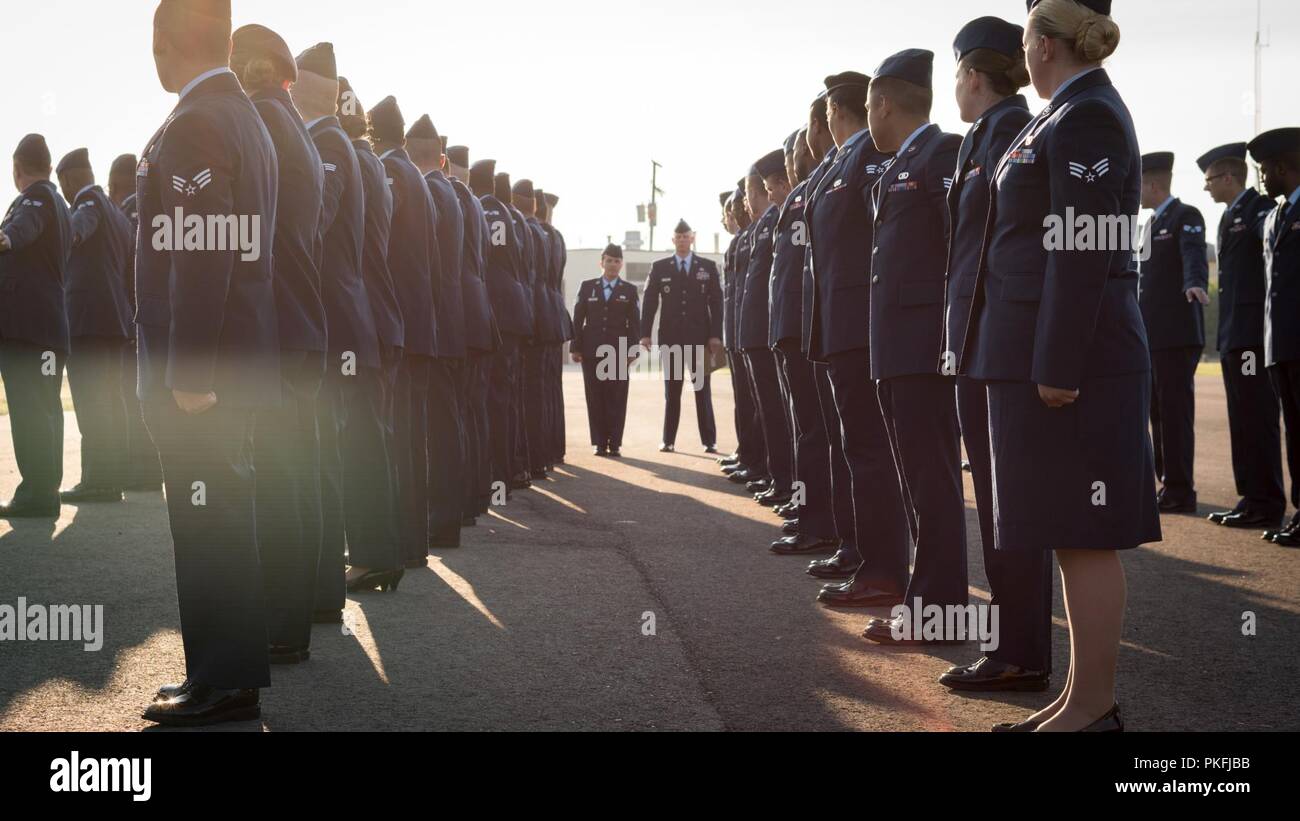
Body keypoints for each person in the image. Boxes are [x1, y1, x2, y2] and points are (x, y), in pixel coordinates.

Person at [962, 0, 1160, 732]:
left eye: (1024, 39)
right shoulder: (1062, 115)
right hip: (1044, 356)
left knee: (1085, 534)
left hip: (1080, 363)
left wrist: (1058, 365)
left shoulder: (1089, 117)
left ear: (1044, 45)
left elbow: (1084, 249)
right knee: (1070, 531)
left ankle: (1092, 706)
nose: (1022, 53)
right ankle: (1078, 701)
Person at [138, 0, 280, 726]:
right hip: (238, 362)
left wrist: (191, 370)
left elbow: (203, 248)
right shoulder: (245, 117)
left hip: (207, 373)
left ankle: (222, 678)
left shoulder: (197, 121)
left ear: (168, 44)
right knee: (220, 513)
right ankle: (223, 672)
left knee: (209, 518)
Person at [937, 17, 1052, 690]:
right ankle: (1017, 647)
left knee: (1013, 503)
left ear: (973, 77)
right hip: (977, 344)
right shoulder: (984, 136)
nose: (955, 85)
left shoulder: (1012, 132)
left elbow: (1017, 250)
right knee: (1000, 498)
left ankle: (1021, 653)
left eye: (957, 74)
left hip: (1001, 346)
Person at [856, 48, 969, 645]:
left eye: (870, 105)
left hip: (924, 348)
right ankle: (929, 603)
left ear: (883, 104)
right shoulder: (901, 162)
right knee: (917, 480)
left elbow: (958, 247)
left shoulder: (941, 153)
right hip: (896, 347)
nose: (868, 116)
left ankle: (937, 610)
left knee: (932, 480)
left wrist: (946, 339)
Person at [231, 24, 328, 666]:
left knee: (278, 479)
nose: (233, 72)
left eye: (239, 62)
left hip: (280, 322)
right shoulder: (291, 123)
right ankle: (302, 611)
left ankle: (283, 624)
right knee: (298, 473)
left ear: (260, 68)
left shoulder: (263, 120)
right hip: (304, 321)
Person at [802, 71, 911, 607]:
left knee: (870, 452)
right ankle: (862, 555)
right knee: (857, 450)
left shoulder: (870, 156)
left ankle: (884, 571)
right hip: (840, 330)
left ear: (833, 113)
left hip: (863, 328)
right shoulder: (843, 161)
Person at [295, 47, 398, 594]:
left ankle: (333, 574)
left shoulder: (327, 144)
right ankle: (379, 552)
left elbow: (315, 221)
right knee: (361, 442)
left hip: (338, 319)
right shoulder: (357, 150)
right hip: (357, 316)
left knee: (334, 447)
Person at [1198, 143, 1286, 532]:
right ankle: (1250, 497)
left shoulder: (1259, 211)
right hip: (1234, 335)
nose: (1206, 188)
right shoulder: (1230, 215)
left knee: (1258, 417)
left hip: (1252, 337)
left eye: (1210, 180)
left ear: (1229, 177)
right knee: (1241, 419)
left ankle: (1267, 502)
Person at [370, 94, 439, 571]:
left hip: (398, 321)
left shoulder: (391, 172)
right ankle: (413, 545)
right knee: (411, 439)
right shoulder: (416, 175)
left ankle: (394, 547)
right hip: (418, 321)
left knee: (395, 438)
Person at [768, 129, 840, 556]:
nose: (792, 159)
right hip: (793, 328)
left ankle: (820, 521)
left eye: (793, 150)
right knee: (807, 429)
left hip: (806, 326)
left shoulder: (816, 188)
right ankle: (810, 511)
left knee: (816, 430)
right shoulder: (803, 194)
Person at [56, 148, 134, 505]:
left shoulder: (88, 203)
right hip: (115, 320)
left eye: (63, 185)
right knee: (111, 403)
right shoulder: (117, 213)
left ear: (71, 179)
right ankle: (110, 478)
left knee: (92, 403)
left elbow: (72, 233)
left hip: (90, 320)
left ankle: (98, 482)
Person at [0, 133, 71, 519]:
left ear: (17, 168)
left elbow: (20, 230)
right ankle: (46, 491)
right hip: (48, 330)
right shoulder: (59, 202)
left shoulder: (35, 198)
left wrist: (7, 237)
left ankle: (37, 494)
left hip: (28, 333)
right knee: (44, 408)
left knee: (30, 407)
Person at [408, 114, 468, 550]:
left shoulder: (427, 191)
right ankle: (448, 516)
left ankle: (441, 520)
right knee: (448, 423)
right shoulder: (451, 190)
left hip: (435, 321)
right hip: (453, 320)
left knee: (438, 428)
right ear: (443, 158)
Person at [1138, 150, 1209, 514]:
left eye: (1139, 184)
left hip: (1177, 335)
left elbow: (1193, 252)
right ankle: (1168, 483)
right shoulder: (1149, 225)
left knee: (1174, 413)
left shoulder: (1186, 216)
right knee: (1157, 411)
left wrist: (1196, 282)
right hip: (1152, 336)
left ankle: (1181, 490)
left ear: (1153, 184)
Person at [1249, 127, 1300, 548]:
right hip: (1280, 344)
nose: (1262, 178)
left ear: (1283, 168)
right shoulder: (1276, 215)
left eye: (1266, 170)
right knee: (1295, 431)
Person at [738, 150, 795, 509]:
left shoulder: (781, 215)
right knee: (772, 412)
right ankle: (781, 480)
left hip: (773, 329)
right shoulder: (765, 223)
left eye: (773, 185)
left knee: (780, 413)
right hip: (760, 330)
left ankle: (787, 483)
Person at [447, 145, 500, 523]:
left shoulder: (451, 197)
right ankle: (475, 497)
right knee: (474, 412)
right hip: (479, 315)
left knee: (457, 414)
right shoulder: (474, 204)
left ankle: (460, 505)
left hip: (460, 317)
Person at [639, 219, 723, 454]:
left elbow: (717, 303)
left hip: (701, 339)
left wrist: (716, 335)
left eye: (687, 236)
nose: (683, 240)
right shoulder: (660, 267)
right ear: (673, 240)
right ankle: (668, 440)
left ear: (692, 238)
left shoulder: (707, 266)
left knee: (702, 390)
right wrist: (644, 334)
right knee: (672, 391)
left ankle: (709, 441)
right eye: (679, 237)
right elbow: (649, 301)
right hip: (671, 338)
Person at [473, 158, 531, 497]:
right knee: (507, 397)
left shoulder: (481, 209)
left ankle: (496, 475)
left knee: (492, 396)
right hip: (516, 308)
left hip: (494, 307)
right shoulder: (515, 217)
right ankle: (510, 471)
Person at [108, 152, 164, 493]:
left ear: (114, 184)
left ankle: (141, 471)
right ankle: (150, 469)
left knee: (135, 396)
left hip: (133, 315)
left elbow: (128, 266)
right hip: (155, 313)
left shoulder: (127, 209)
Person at [572, 244, 640, 456]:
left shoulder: (629, 290)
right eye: (609, 260)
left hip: (617, 353)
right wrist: (576, 347)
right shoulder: (587, 287)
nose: (612, 264)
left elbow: (634, 323)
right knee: (595, 397)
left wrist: (632, 350)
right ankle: (599, 442)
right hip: (592, 351)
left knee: (617, 398)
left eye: (617, 261)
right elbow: (578, 319)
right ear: (601, 262)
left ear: (621, 264)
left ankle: (615, 443)